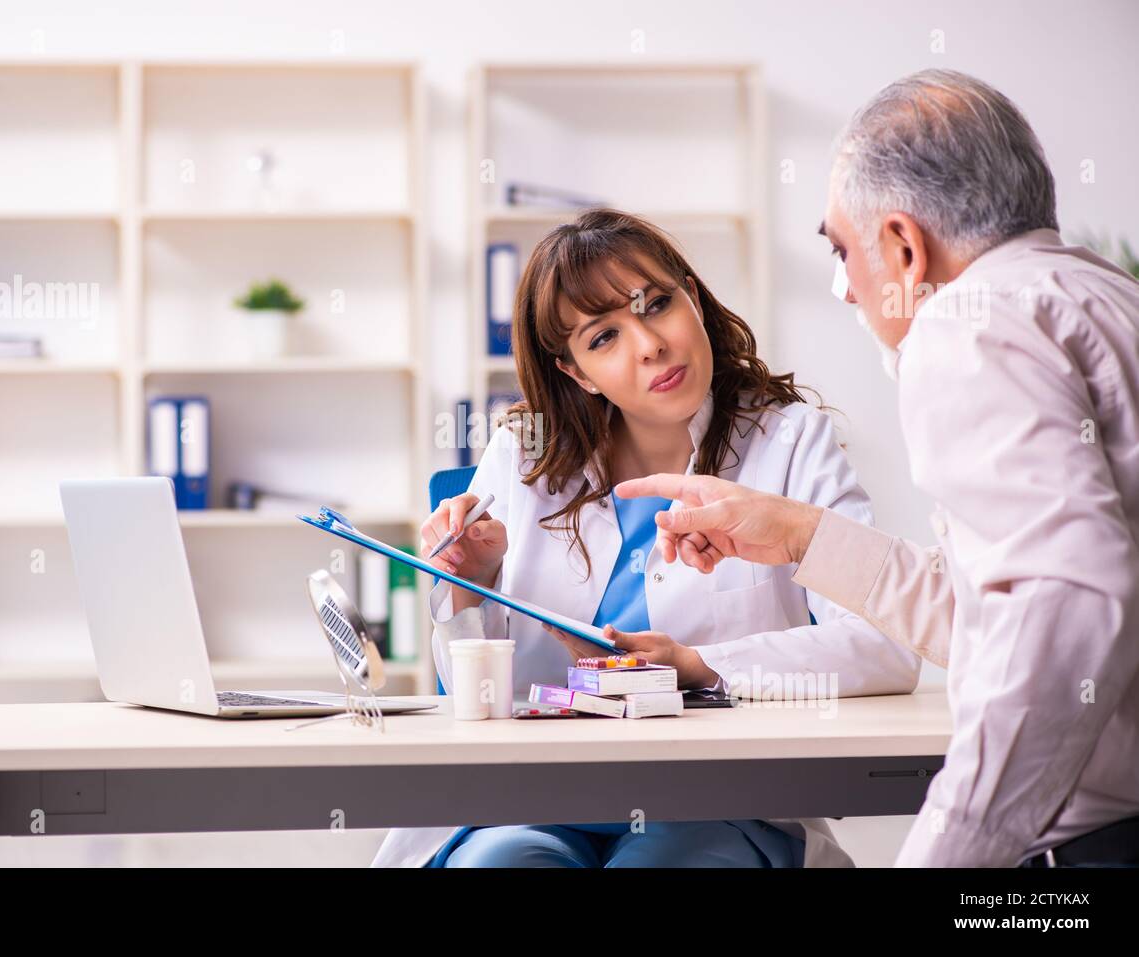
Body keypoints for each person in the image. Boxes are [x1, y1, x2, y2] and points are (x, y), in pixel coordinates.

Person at [617, 70, 1139, 868]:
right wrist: (798, 533)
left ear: (902, 244)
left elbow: (1064, 603)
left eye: (841, 248)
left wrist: (952, 853)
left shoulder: (967, 326)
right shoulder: (1101, 294)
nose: (844, 286)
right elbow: (999, 615)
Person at [370, 208, 920, 869]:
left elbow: (887, 645)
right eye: (604, 338)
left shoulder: (789, 441)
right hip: (533, 794)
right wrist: (471, 584)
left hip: (717, 798)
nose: (649, 344)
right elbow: (474, 699)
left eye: (657, 304)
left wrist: (695, 667)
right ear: (574, 371)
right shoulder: (523, 451)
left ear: (693, 294)